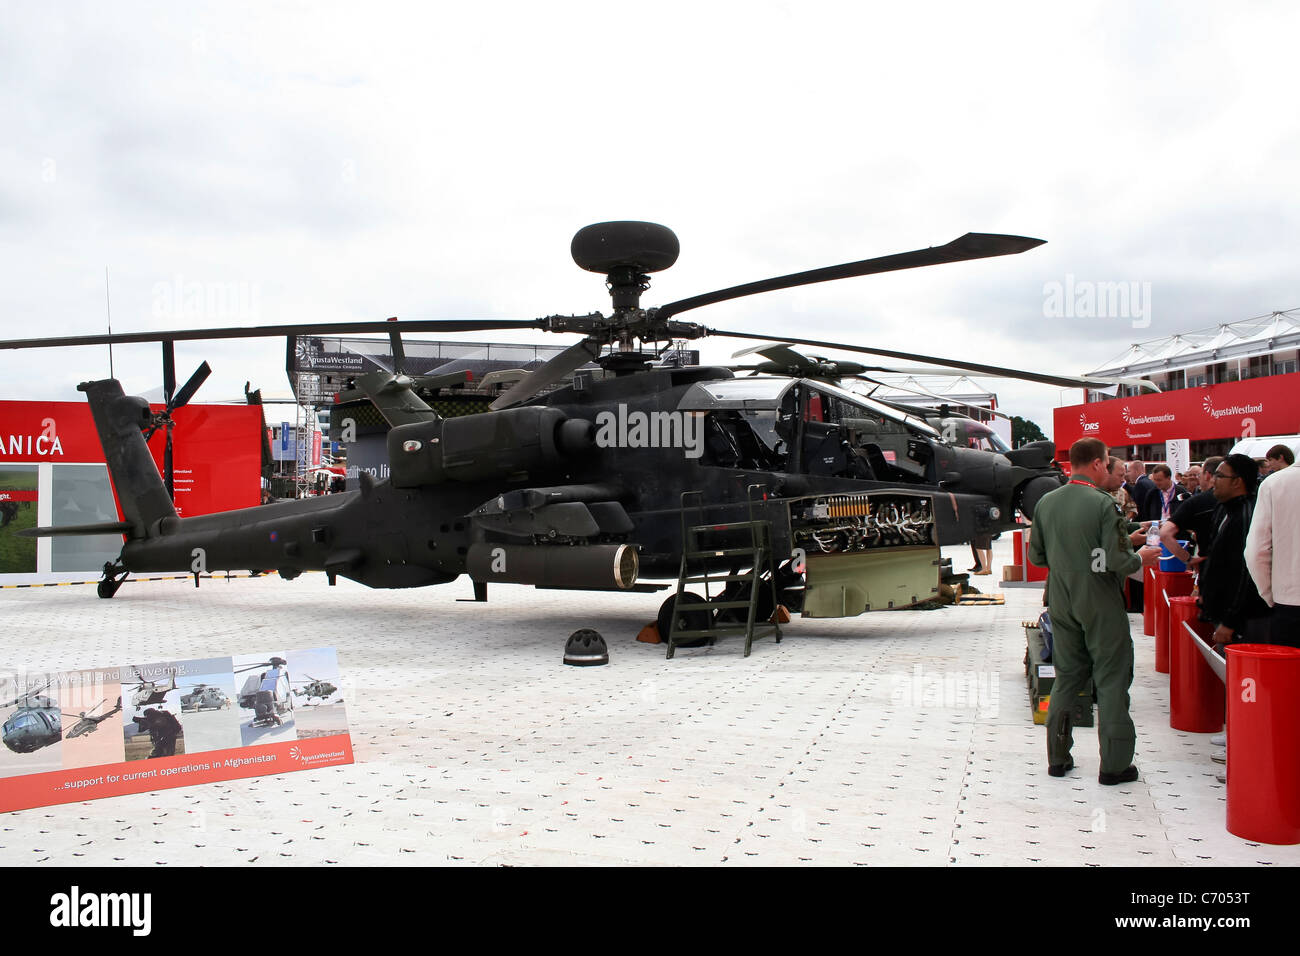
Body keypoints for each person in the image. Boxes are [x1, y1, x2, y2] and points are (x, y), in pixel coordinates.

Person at [1029, 438, 1161, 785]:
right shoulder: (1103, 504)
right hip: (1099, 598)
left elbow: (1037, 557)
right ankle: (1114, 765)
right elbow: (1115, 560)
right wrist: (1140, 558)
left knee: (1067, 676)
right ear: (1099, 464)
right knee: (1112, 677)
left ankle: (1057, 758)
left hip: (1060, 596)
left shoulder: (1046, 502)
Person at [1197, 454, 1270, 649]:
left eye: (1220, 476)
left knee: (1243, 675)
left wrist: (1230, 621)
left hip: (1243, 621)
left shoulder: (1248, 516)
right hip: (1222, 613)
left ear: (1237, 482)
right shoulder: (1224, 509)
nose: (1213, 480)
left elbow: (1246, 574)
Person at [1245, 450, 1300, 647]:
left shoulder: (1274, 484)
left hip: (1290, 600)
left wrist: (1271, 594)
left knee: (1290, 675)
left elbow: (1255, 551)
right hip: (1289, 598)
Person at [1159, 456, 1223, 568]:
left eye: (1199, 475)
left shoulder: (1197, 502)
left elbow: (1165, 534)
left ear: (1207, 475)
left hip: (1209, 568)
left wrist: (1188, 559)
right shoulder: (1243, 500)